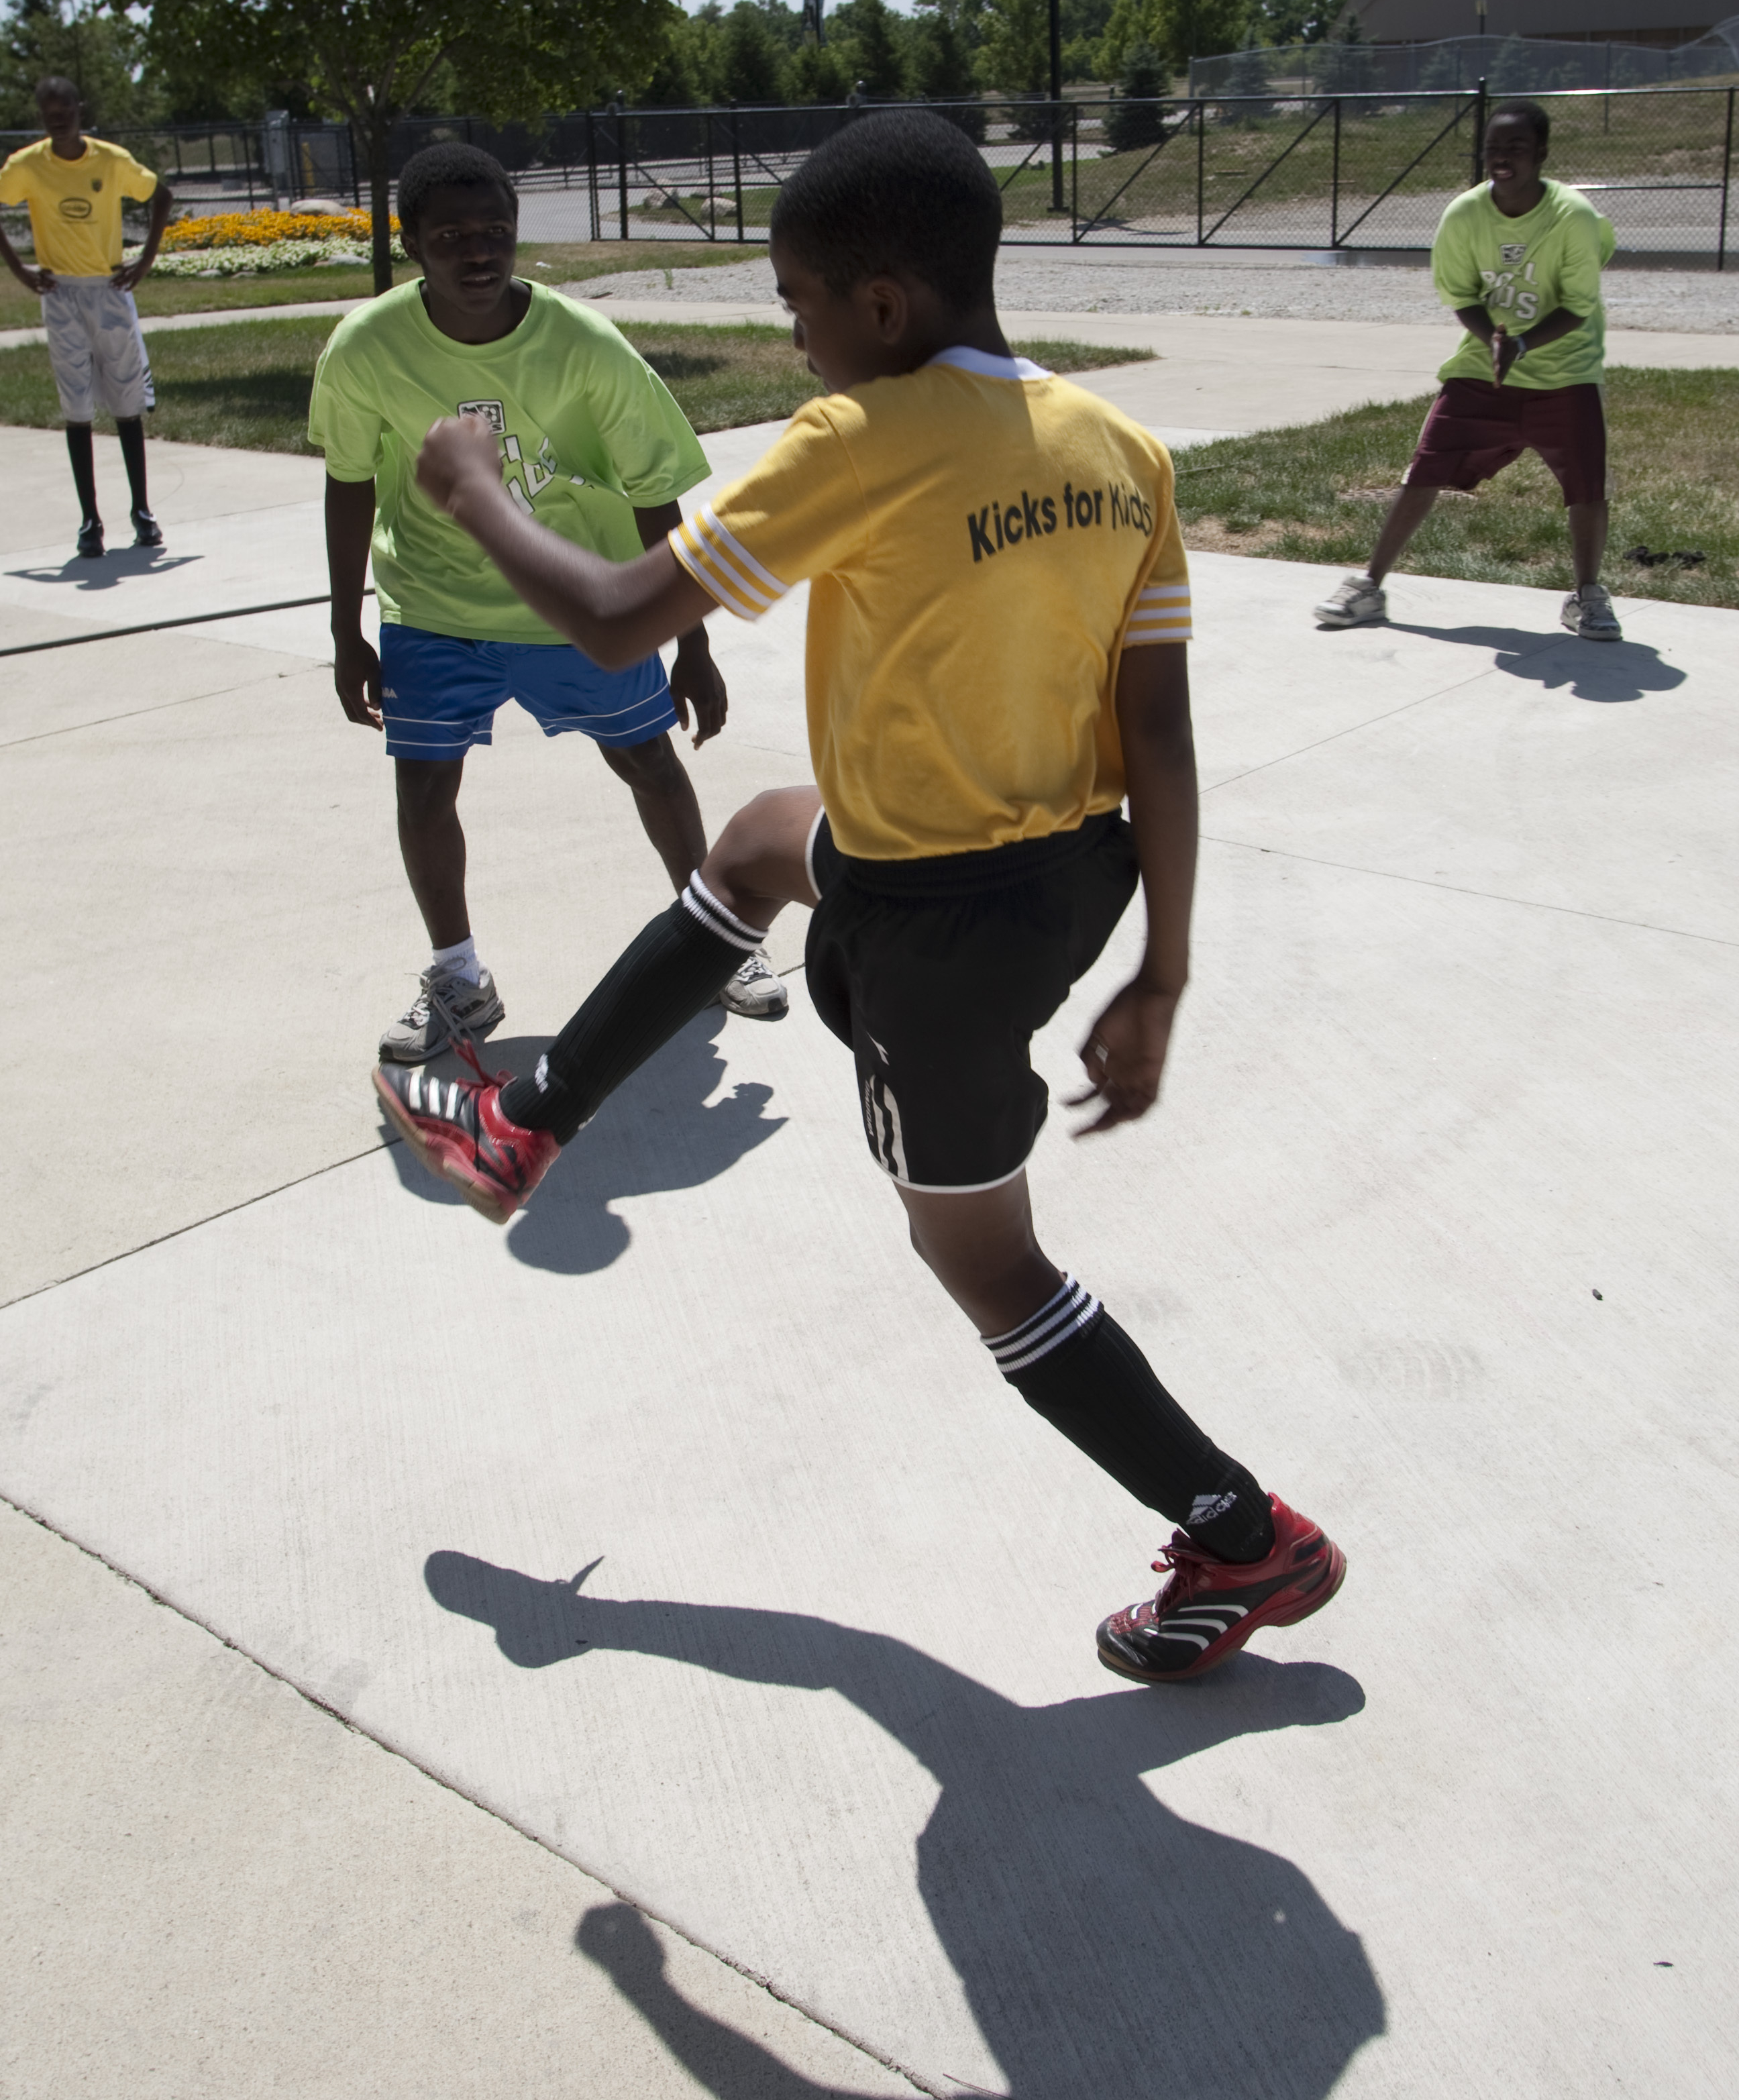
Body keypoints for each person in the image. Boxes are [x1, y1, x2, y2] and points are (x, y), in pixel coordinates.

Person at [378, 110, 1345, 1686]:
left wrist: (474, 484)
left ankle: (1241, 1533)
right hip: (1070, 876)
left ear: (881, 305)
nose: (798, 335)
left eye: (798, 303)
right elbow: (1159, 733)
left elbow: (619, 621)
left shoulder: (863, 438)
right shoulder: (1119, 449)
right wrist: (1160, 970)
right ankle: (527, 1121)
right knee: (764, 833)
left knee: (987, 1266)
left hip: (937, 936)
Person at [307, 140, 786, 1066]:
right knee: (423, 783)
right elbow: (349, 481)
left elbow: (656, 494)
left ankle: (714, 941)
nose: (479, 252)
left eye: (496, 231)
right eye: (452, 235)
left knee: (647, 761)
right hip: (434, 605)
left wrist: (692, 643)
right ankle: (458, 978)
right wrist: (345, 630)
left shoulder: (582, 344)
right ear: (410, 243)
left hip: (578, 604)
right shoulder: (367, 349)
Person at [1315, 97, 1620, 640]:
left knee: (1586, 487)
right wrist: (1496, 340)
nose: (1503, 158)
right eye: (1493, 148)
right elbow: (1460, 294)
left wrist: (1523, 344)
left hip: (1564, 373)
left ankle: (1588, 596)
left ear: (1541, 154)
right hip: (1484, 371)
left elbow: (1577, 307)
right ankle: (1368, 587)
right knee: (1424, 470)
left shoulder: (1573, 217)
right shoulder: (1464, 213)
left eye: (1516, 148)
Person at [0, 74, 172, 558]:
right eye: (50, 114)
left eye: (66, 111)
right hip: (60, 293)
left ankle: (142, 511)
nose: (59, 120)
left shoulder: (110, 161)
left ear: (80, 108)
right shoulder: (28, 165)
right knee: (76, 405)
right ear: (42, 117)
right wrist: (19, 269)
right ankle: (90, 520)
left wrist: (144, 261)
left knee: (126, 400)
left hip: (109, 288)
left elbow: (162, 195)